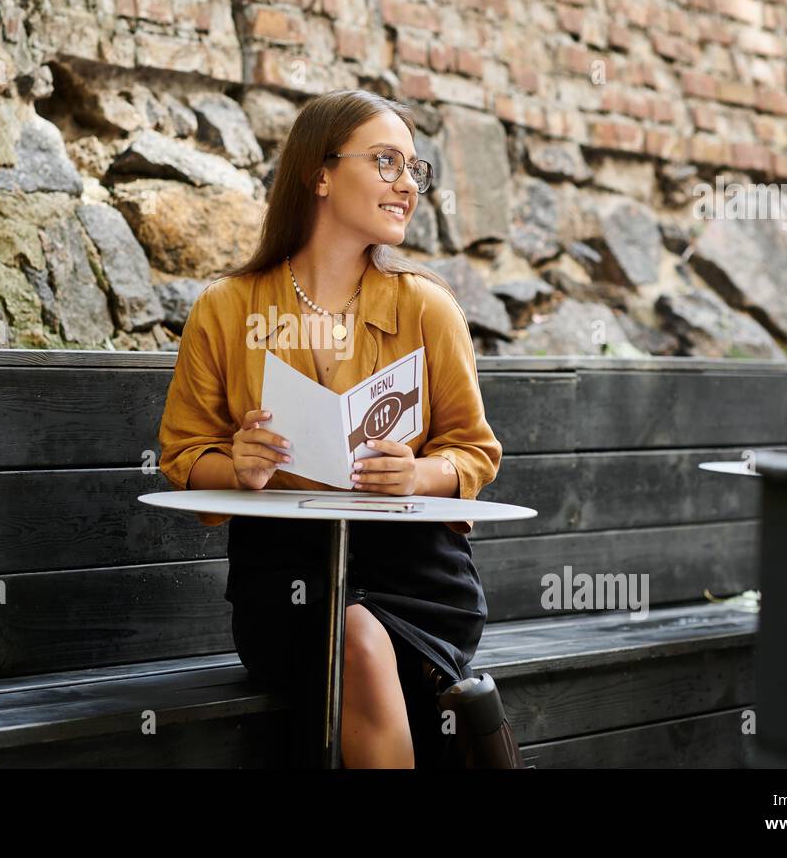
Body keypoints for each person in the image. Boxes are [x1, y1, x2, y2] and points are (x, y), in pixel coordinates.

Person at [158, 88, 520, 768]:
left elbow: (473, 451)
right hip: (287, 574)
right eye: (386, 162)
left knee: (365, 644)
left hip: (415, 574)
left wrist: (418, 473)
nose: (407, 184)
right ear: (319, 174)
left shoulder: (426, 306)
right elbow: (182, 458)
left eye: (415, 169)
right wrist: (236, 466)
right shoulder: (226, 309)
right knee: (354, 639)